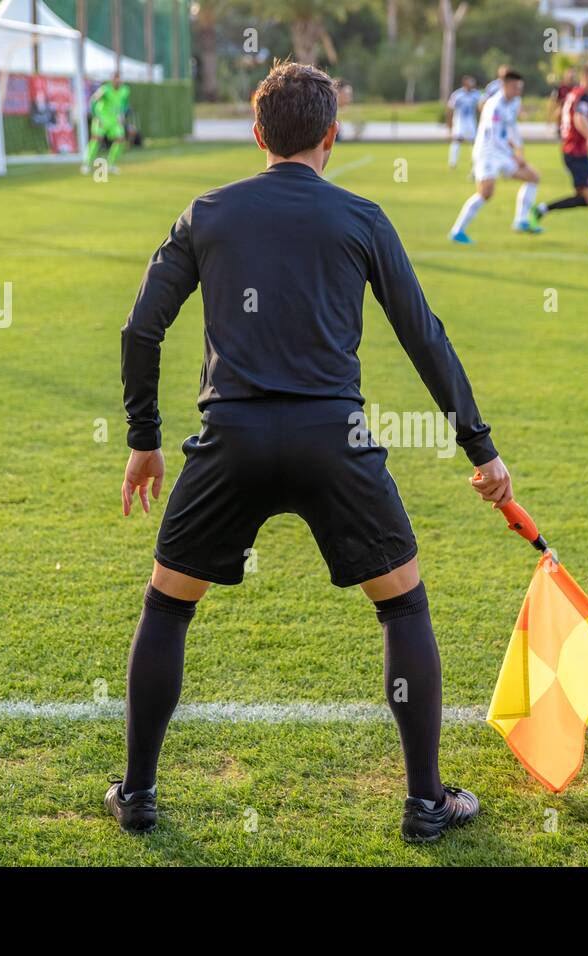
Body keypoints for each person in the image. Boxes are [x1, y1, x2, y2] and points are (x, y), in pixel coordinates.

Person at [110, 62, 513, 843]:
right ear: (331, 136)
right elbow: (424, 336)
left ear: (258, 135)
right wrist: (480, 449)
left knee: (167, 607)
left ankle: (139, 796)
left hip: (230, 441)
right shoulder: (361, 217)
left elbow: (139, 328)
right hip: (336, 440)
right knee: (402, 606)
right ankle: (426, 803)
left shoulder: (208, 212)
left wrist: (142, 440)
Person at [527, 63, 588, 253]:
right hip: (575, 154)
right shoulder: (583, 96)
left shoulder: (574, 93)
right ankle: (542, 210)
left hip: (576, 153)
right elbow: (579, 118)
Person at [449, 70, 541, 242]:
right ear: (504, 86)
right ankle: (457, 231)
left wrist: (520, 150)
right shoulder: (494, 105)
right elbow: (494, 136)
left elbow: (512, 128)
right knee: (486, 193)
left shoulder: (514, 102)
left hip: (503, 152)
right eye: (515, 87)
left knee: (533, 177)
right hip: (487, 153)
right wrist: (514, 155)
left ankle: (520, 220)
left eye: (520, 88)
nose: (518, 92)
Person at [83, 72, 130, 175]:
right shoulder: (105, 89)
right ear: (111, 79)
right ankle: (87, 164)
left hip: (114, 120)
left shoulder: (125, 90)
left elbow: (126, 104)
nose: (117, 81)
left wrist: (123, 114)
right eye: (115, 79)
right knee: (96, 140)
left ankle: (111, 164)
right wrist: (96, 116)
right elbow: (93, 100)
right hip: (102, 119)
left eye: (119, 79)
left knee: (120, 139)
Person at [446, 75, 481, 169]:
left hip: (471, 122)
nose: (472, 84)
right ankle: (452, 163)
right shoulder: (457, 94)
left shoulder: (476, 94)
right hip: (459, 122)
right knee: (457, 141)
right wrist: (449, 125)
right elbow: (450, 109)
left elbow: (481, 108)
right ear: (465, 83)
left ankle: (475, 162)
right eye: (470, 82)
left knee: (475, 142)